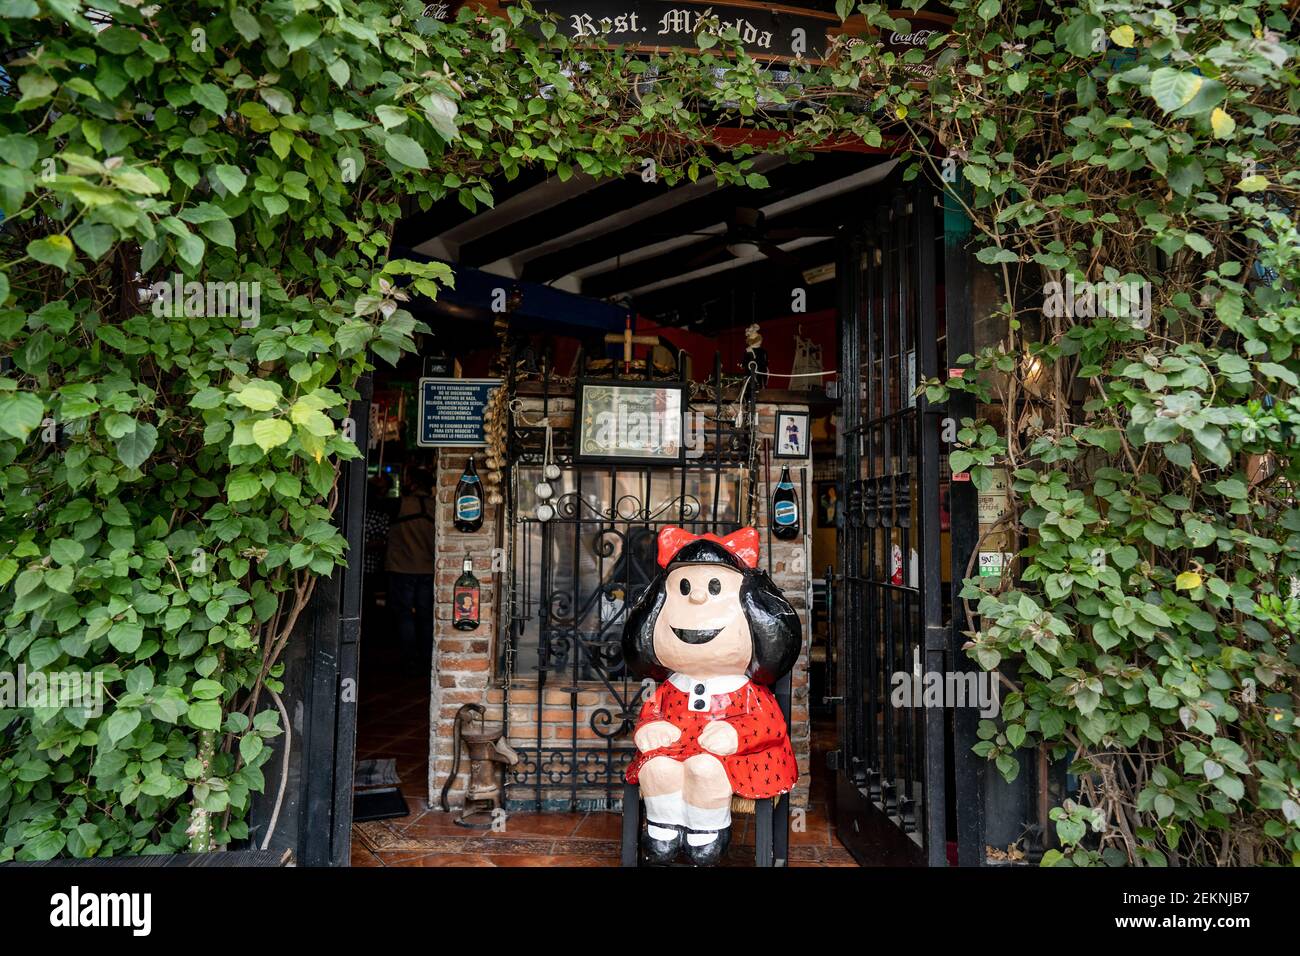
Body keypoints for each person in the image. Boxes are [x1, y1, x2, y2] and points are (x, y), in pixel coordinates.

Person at [386, 465, 437, 667]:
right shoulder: (437, 506)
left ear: (412, 483)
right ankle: (426, 659)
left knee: (405, 615)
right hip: (427, 569)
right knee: (426, 616)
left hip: (402, 568)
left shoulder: (400, 504)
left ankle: (409, 659)